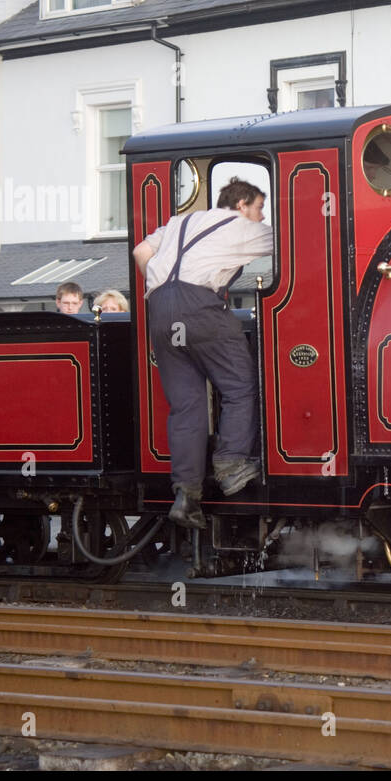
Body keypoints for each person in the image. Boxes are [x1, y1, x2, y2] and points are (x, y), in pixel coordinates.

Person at [133, 177, 272, 529]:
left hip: (160, 309)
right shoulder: (242, 227)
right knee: (240, 386)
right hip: (200, 307)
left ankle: (187, 494)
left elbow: (140, 253)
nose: (261, 216)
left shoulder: (182, 221)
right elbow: (292, 240)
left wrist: (166, 290)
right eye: (259, 208)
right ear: (242, 205)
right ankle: (231, 466)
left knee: (186, 405)